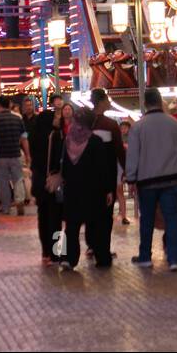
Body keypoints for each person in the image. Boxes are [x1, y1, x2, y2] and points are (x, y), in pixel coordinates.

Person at [126, 88, 177, 270]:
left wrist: (131, 179)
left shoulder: (138, 127)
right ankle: (173, 259)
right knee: (172, 218)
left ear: (145, 104)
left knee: (146, 219)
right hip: (171, 179)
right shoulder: (175, 125)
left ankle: (146, 256)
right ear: (160, 101)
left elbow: (133, 155)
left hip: (146, 181)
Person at [58, 108, 116, 270]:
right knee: (97, 225)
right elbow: (102, 168)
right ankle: (102, 258)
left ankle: (67, 259)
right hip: (94, 191)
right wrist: (108, 189)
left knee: (71, 227)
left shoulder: (68, 140)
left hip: (72, 190)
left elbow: (64, 166)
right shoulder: (95, 141)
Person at [89, 88, 125, 251]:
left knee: (91, 210)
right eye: (108, 100)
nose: (110, 103)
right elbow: (119, 151)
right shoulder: (110, 125)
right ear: (102, 102)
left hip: (87, 174)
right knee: (106, 212)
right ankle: (103, 248)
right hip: (108, 174)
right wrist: (126, 171)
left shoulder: (84, 122)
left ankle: (91, 245)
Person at [30, 95, 64, 264]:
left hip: (39, 181)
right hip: (53, 182)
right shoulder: (54, 137)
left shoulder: (35, 138)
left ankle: (45, 253)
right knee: (56, 218)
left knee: (42, 217)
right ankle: (57, 252)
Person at [0, 95, 29, 215]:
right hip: (16, 153)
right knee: (18, 179)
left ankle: (6, 207)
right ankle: (20, 200)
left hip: (1, 155)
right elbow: (24, 138)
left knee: (3, 181)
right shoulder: (18, 118)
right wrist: (27, 154)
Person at [118, 119, 134, 223]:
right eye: (122, 128)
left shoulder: (132, 138)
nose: (123, 130)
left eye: (125, 128)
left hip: (130, 164)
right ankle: (122, 213)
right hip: (121, 165)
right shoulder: (118, 138)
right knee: (119, 191)